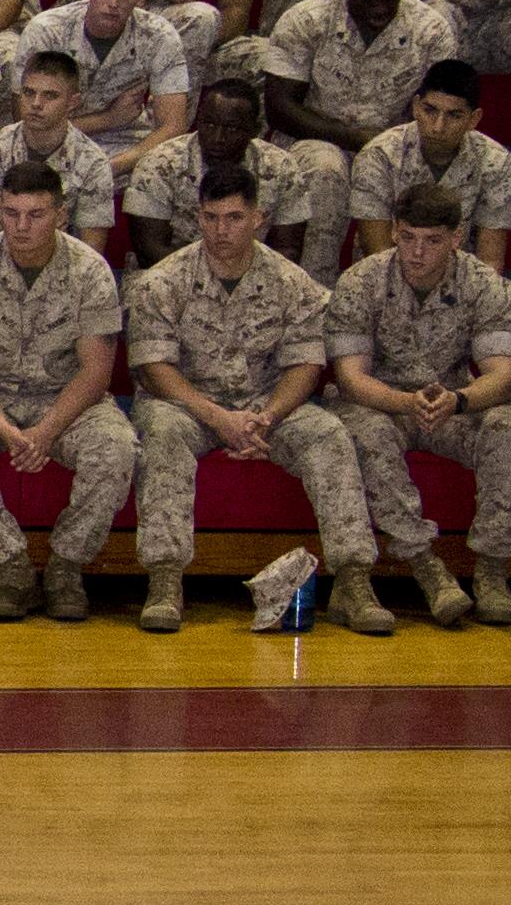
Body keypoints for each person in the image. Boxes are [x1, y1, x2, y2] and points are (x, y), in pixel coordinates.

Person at [121, 161, 373, 634]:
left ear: (259, 218)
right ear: (197, 218)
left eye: (234, 217)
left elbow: (306, 366)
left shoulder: (291, 282)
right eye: (211, 217)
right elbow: (155, 371)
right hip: (190, 406)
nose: (222, 230)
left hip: (267, 405)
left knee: (328, 433)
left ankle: (355, 581)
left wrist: (267, 416)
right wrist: (219, 418)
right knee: (160, 430)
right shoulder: (162, 281)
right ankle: (165, 580)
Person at [0, 152, 135, 619]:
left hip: (65, 396)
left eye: (36, 215)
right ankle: (12, 568)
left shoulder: (90, 271)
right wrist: (3, 427)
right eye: (10, 213)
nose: (21, 226)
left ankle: (66, 567)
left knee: (116, 448)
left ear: (61, 215)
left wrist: (45, 430)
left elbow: (96, 372)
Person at [326, 179, 511, 626]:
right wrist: (404, 401)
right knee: (364, 430)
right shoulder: (362, 281)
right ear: (395, 231)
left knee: (506, 425)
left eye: (432, 241)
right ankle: (426, 567)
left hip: (451, 400)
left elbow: (502, 375)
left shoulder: (483, 284)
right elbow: (350, 378)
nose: (417, 252)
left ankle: (492, 569)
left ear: (456, 239)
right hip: (383, 400)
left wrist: (459, 400)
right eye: (407, 238)